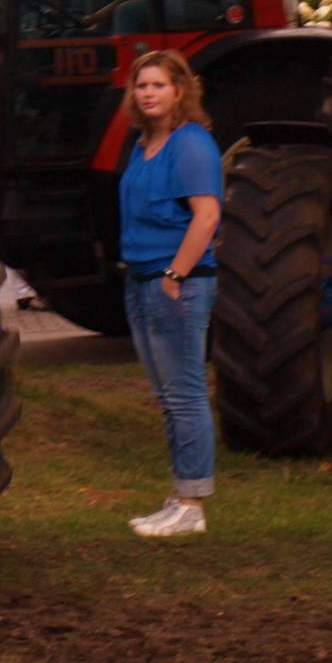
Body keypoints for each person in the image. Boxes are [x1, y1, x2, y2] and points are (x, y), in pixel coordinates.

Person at [118, 49, 223, 538]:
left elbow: (206, 217)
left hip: (176, 284)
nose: (149, 93)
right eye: (142, 86)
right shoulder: (142, 145)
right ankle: (180, 496)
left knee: (185, 394)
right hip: (140, 282)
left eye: (159, 85)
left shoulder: (191, 143)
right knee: (167, 396)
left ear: (180, 90)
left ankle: (192, 505)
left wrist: (175, 276)